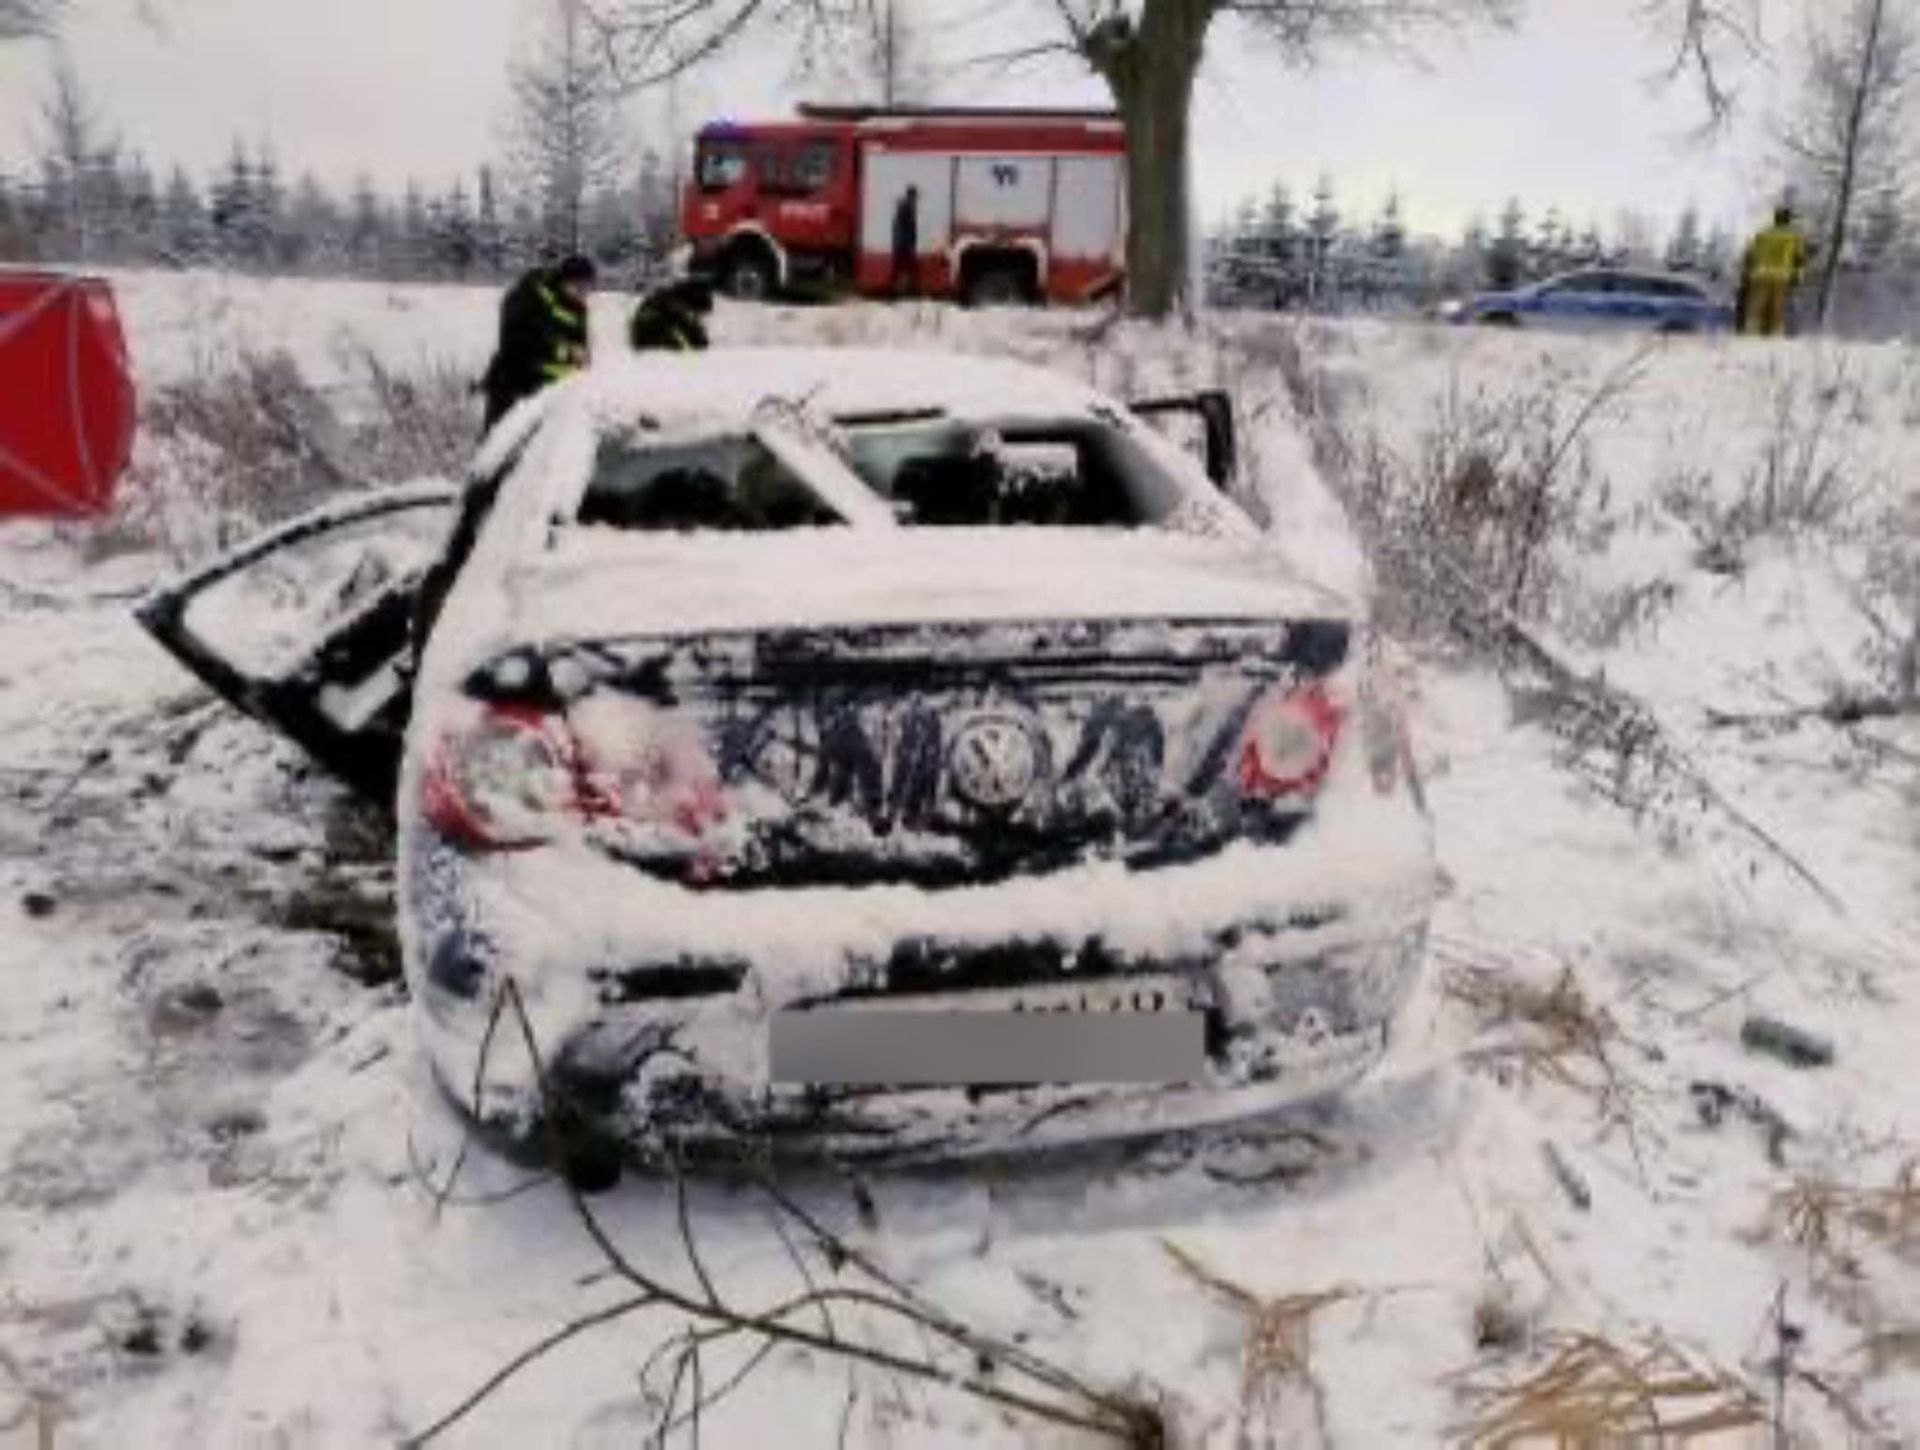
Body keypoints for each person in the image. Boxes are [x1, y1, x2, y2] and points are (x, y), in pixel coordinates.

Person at [480, 253, 596, 432]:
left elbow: (580, 345)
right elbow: (516, 339)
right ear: (564, 281)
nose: (584, 293)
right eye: (579, 287)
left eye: (588, 288)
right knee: (503, 443)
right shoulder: (529, 294)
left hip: (551, 393)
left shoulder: (578, 309)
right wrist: (565, 351)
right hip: (513, 385)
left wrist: (584, 359)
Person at [1738, 206, 1809, 338]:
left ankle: (1750, 332)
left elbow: (1750, 255)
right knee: (1776, 307)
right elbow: (1799, 258)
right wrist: (1798, 276)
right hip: (1781, 275)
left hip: (1760, 273)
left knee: (1756, 306)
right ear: (1787, 220)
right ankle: (1774, 335)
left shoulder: (1762, 234)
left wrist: (1746, 273)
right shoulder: (1794, 237)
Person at [627, 277, 714, 353]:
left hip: (642, 340)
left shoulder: (666, 297)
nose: (698, 316)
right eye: (697, 313)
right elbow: (693, 334)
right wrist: (700, 340)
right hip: (652, 343)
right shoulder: (674, 303)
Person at [890, 185, 920, 297]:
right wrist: (909, 245)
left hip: (901, 243)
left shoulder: (905, 206)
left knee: (901, 268)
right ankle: (899, 292)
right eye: (915, 196)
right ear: (911, 195)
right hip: (903, 244)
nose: (916, 199)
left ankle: (899, 291)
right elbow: (905, 227)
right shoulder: (906, 207)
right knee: (904, 268)